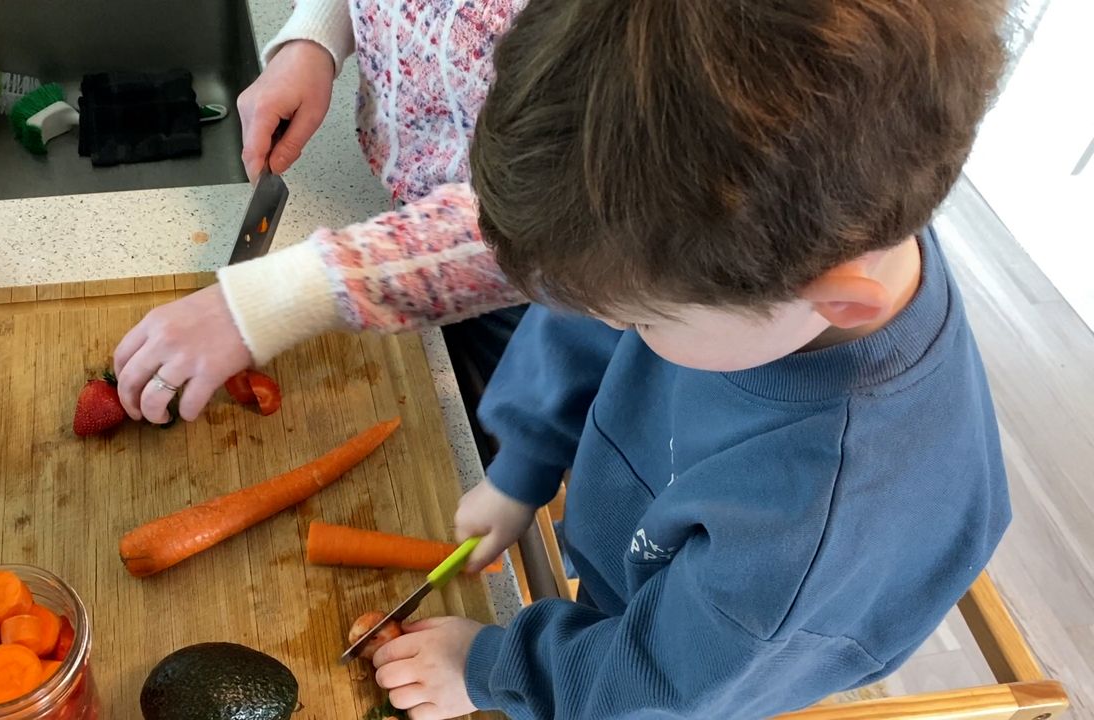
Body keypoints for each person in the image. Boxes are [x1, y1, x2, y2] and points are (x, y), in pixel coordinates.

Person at [363, 0, 1013, 718]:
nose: (618, 325)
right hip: (654, 567)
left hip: (706, 667)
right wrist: (524, 465)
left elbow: (659, 688)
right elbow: (595, 306)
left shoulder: (810, 523)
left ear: (840, 302)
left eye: (640, 319)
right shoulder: (766, 248)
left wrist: (489, 666)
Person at [113, 0, 527, 423]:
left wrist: (277, 298)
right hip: (414, 212)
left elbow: (559, 218)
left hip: (541, 282)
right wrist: (316, 36)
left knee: (515, 421)